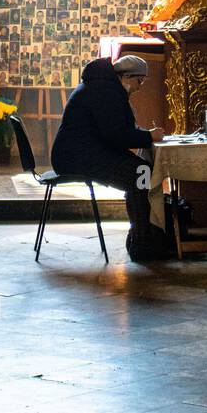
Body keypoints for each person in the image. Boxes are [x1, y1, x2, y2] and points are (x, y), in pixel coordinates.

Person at [51, 54, 166, 262]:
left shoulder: (104, 87)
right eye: (139, 81)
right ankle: (142, 244)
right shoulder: (105, 92)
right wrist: (149, 136)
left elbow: (118, 130)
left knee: (141, 170)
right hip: (77, 157)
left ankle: (141, 238)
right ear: (127, 77)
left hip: (84, 152)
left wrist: (145, 135)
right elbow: (117, 136)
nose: (140, 87)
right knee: (141, 173)